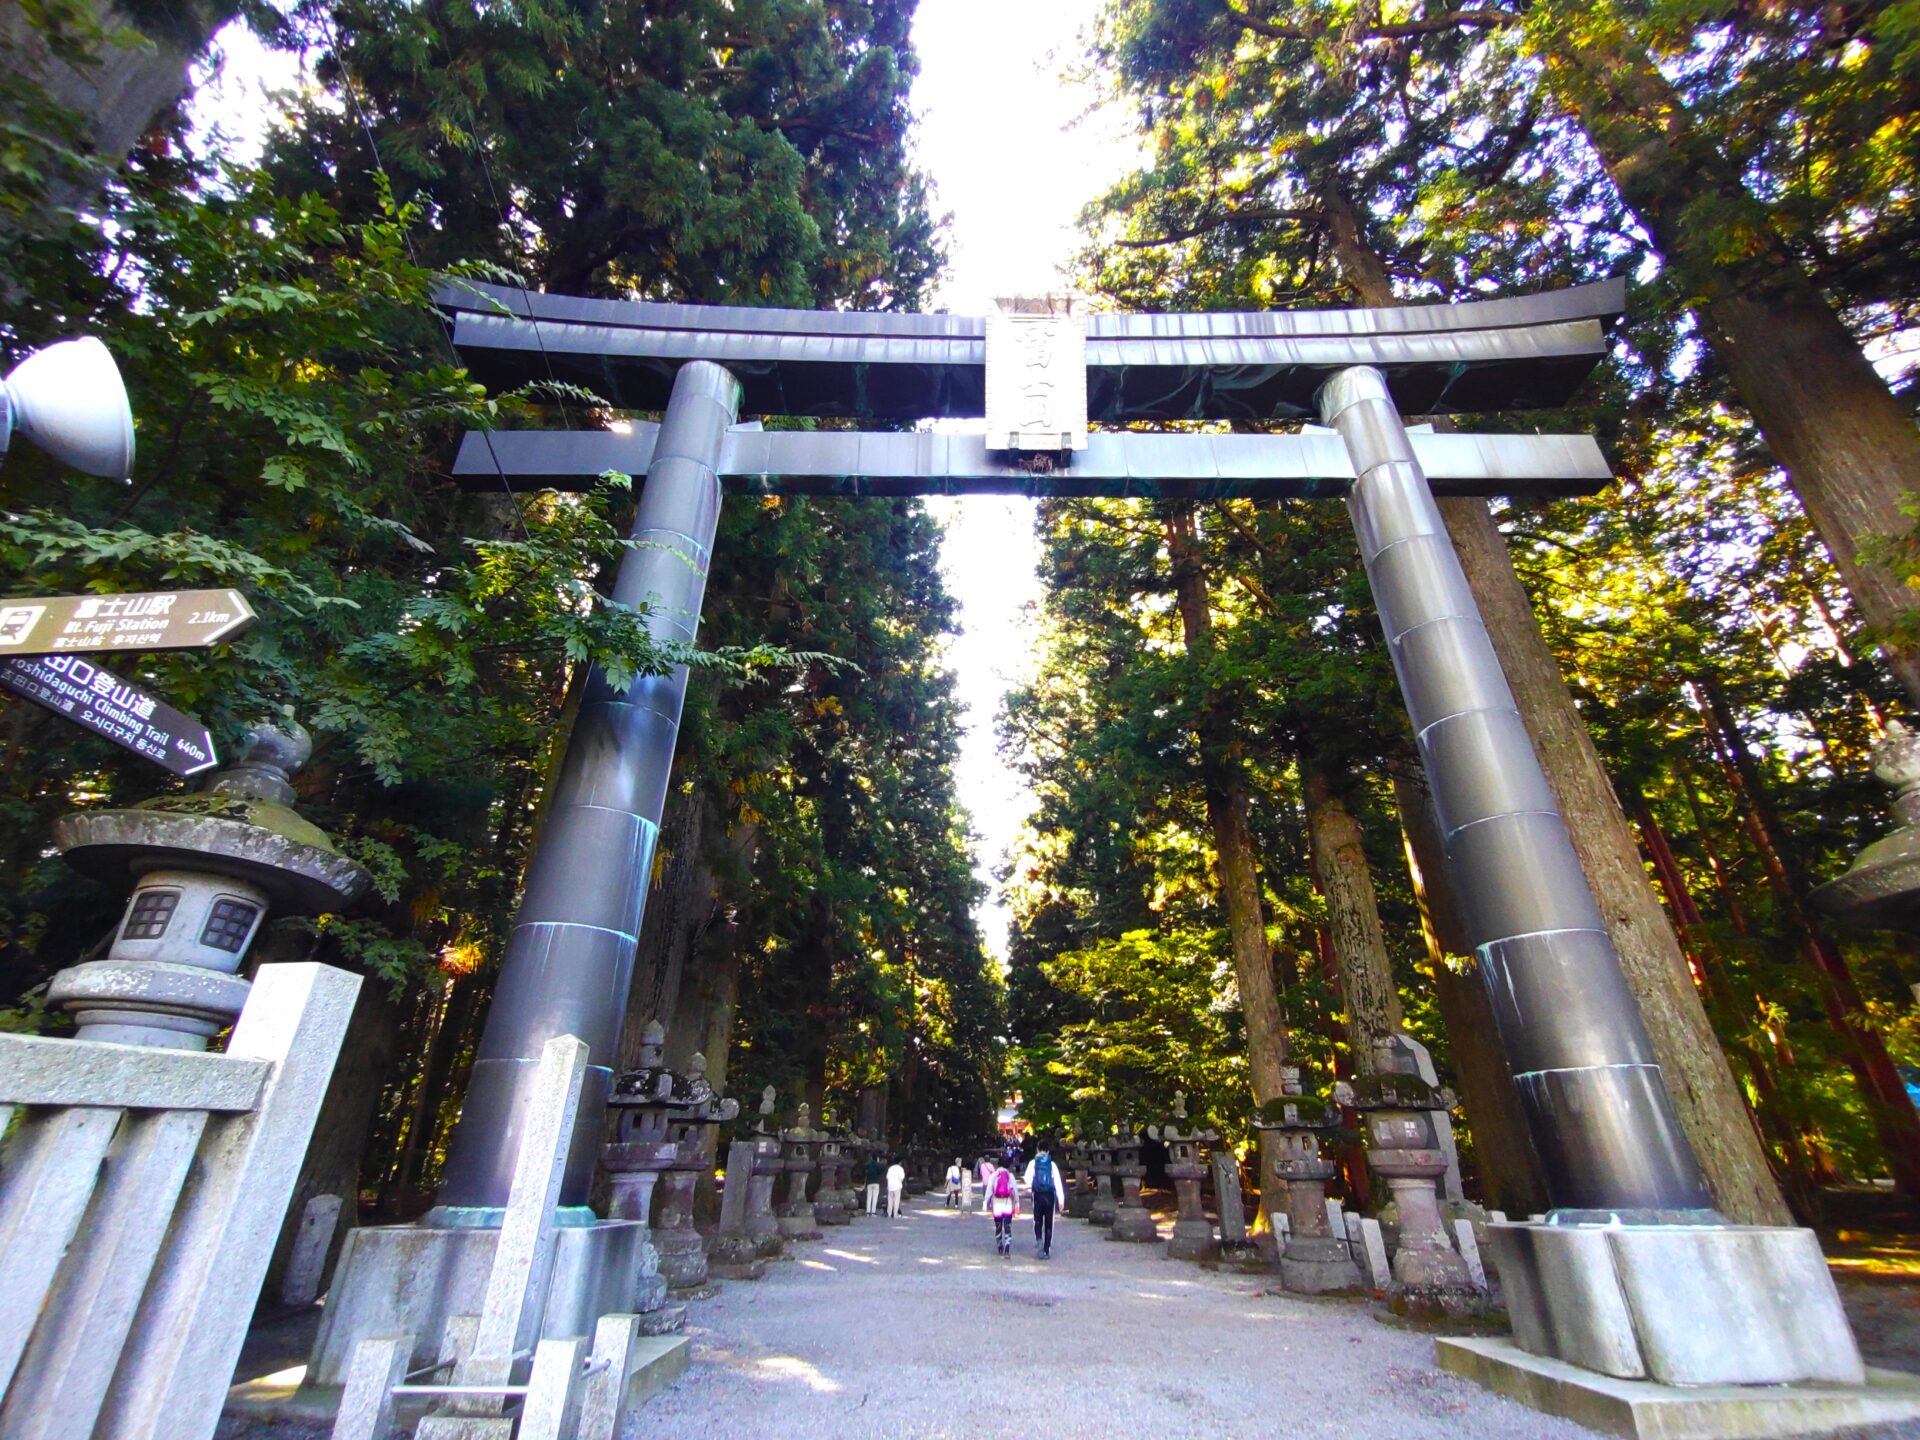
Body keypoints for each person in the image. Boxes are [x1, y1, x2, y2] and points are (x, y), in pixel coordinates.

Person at [1023, 1141, 1067, 1260]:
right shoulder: (1052, 1164)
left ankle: (1039, 1239)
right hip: (1050, 1195)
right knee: (1049, 1222)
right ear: (1048, 1151)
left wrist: (1034, 1183)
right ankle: (1047, 1250)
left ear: (1037, 1150)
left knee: (1037, 1219)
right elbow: (1057, 1182)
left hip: (1037, 1194)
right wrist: (1061, 1199)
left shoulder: (1033, 1163)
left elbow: (1027, 1179)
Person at [987, 1157, 1019, 1256]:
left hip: (997, 1205)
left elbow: (989, 1190)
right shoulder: (1010, 1176)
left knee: (998, 1226)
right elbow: (1015, 1192)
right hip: (1007, 1204)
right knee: (1007, 1226)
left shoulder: (993, 1175)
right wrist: (1017, 1204)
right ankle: (1007, 1247)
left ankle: (999, 1246)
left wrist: (985, 1203)